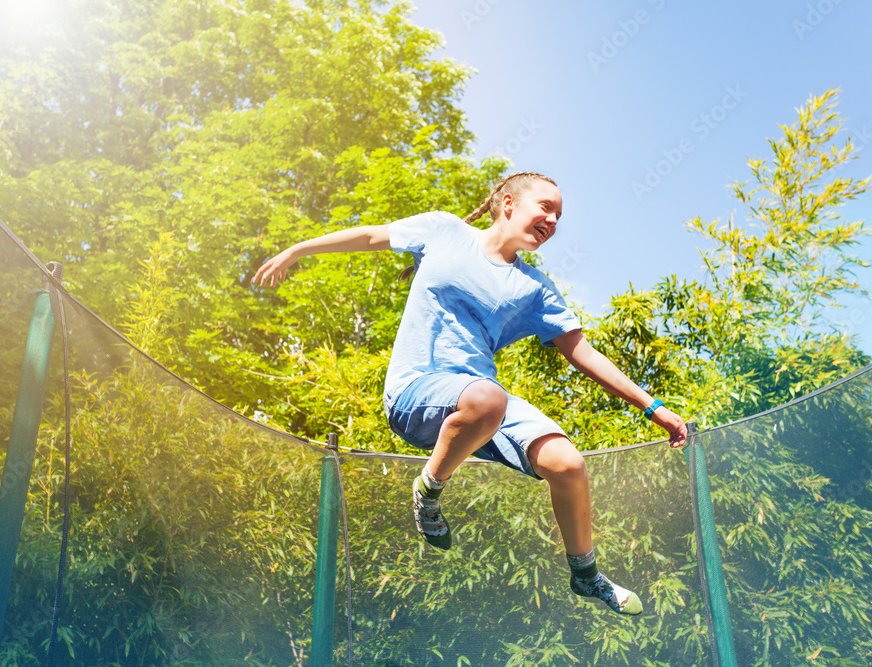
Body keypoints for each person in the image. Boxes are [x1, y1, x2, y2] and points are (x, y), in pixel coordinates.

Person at [253, 171, 687, 616]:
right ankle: (429, 490)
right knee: (487, 397)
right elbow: (369, 237)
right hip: (415, 392)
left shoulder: (534, 289)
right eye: (545, 207)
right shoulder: (444, 231)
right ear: (507, 202)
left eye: (559, 216)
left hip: (478, 405)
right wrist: (297, 248)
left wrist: (652, 407)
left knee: (567, 462)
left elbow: (582, 352)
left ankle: (585, 573)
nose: (553, 220)